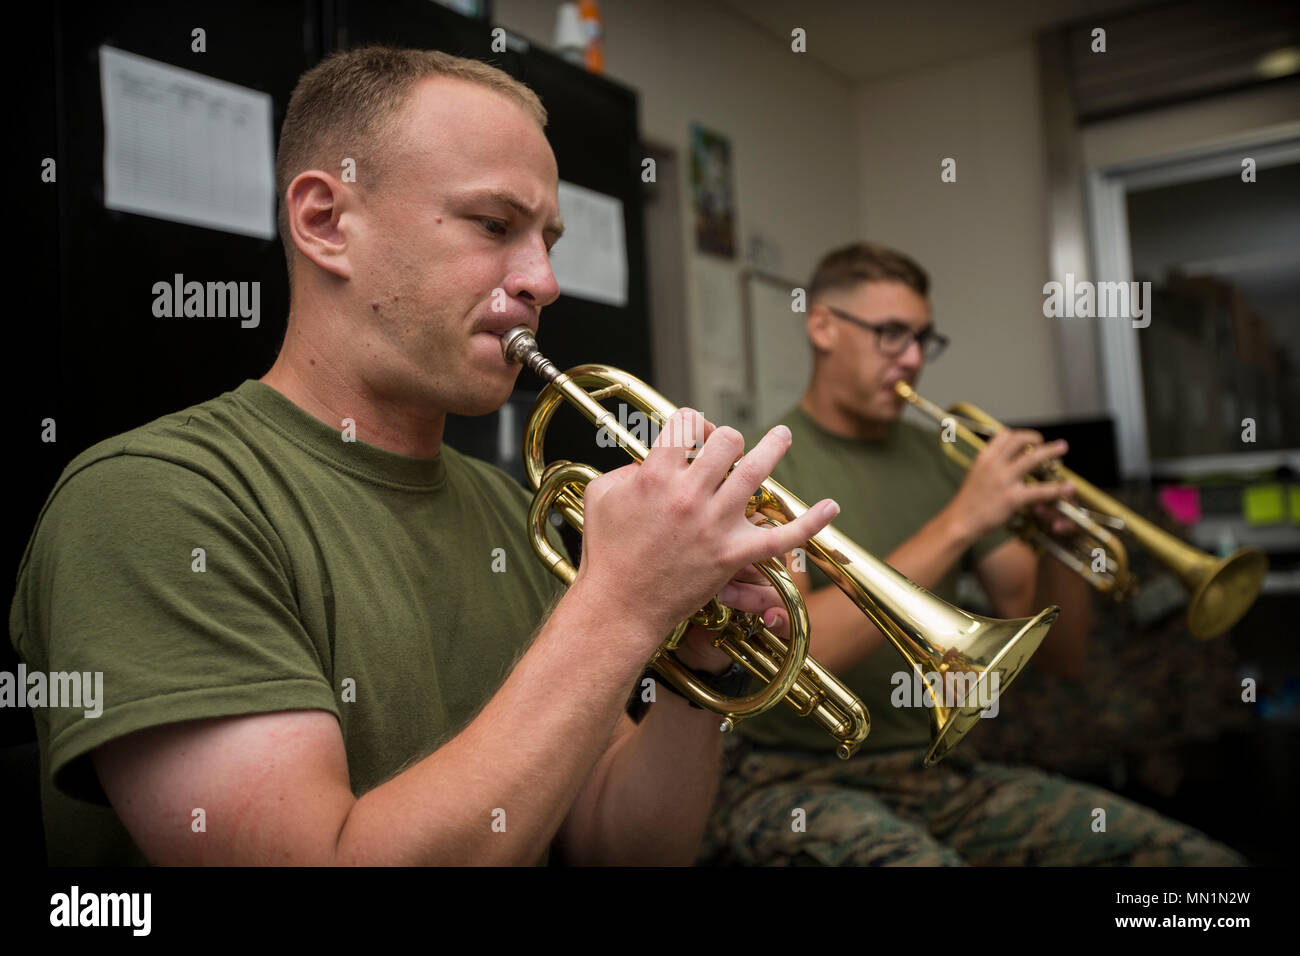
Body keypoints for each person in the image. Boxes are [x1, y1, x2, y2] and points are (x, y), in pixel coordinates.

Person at [8, 46, 838, 866]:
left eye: (547, 238)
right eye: (494, 224)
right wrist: (619, 605)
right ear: (326, 223)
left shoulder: (510, 508)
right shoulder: (152, 502)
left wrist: (695, 662)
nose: (545, 281)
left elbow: (620, 844)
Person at [700, 241, 1244, 866]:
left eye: (923, 339)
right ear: (821, 325)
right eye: (890, 334)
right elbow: (792, 656)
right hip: (794, 779)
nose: (911, 359)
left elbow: (1059, 657)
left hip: (941, 773)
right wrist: (960, 522)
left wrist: (1058, 547)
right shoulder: (767, 467)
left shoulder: (944, 459)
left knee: (1191, 865)